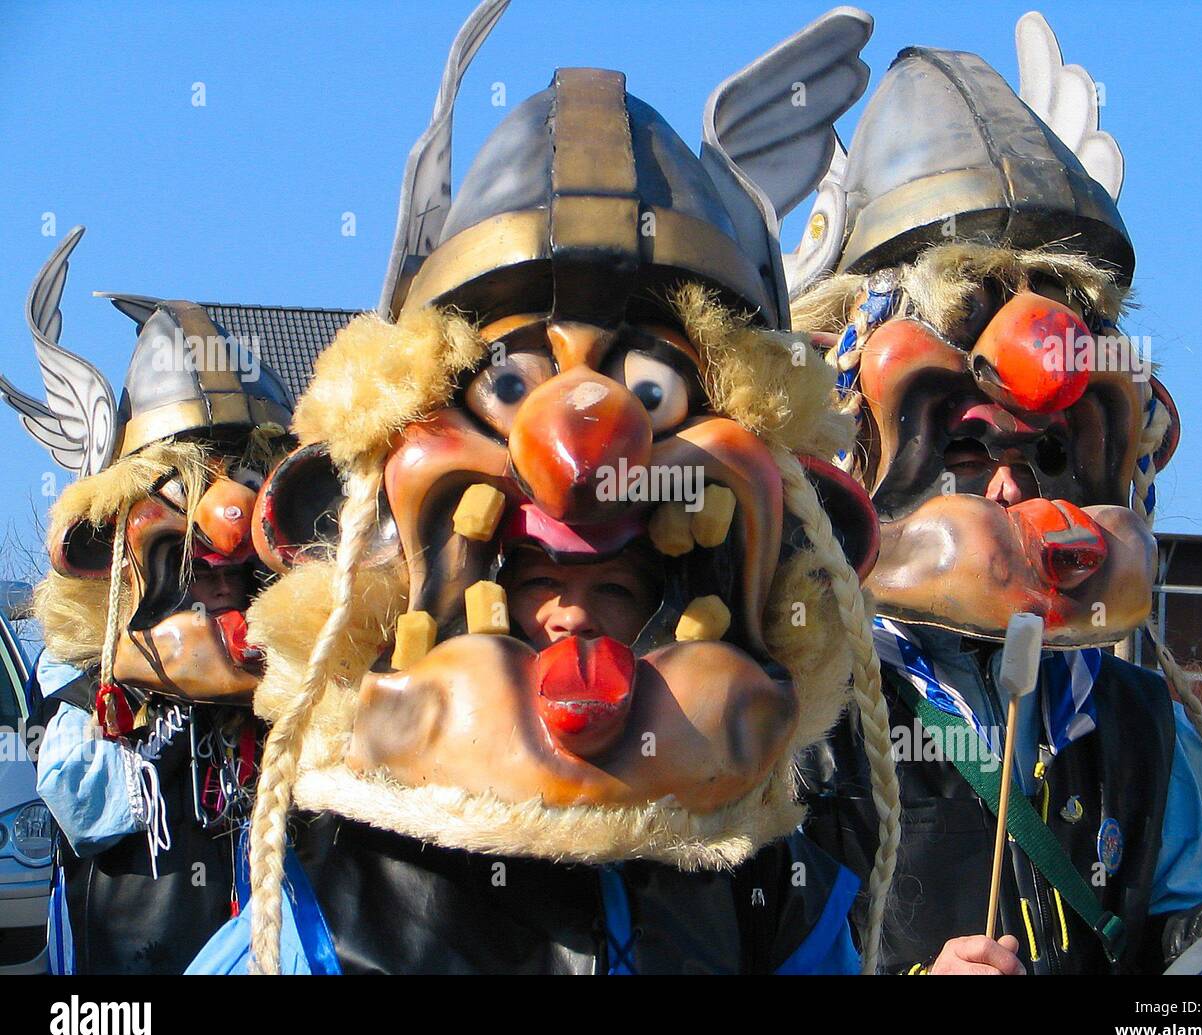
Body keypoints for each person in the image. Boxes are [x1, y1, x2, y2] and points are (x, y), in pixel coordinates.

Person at [188, 1, 892, 975]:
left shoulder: (772, 896)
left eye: (614, 592)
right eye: (508, 382)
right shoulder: (331, 904)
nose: (577, 448)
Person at [786, 12, 1202, 974]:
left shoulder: (1138, 722)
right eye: (973, 456)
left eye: (1049, 453)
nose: (1016, 487)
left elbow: (1180, 954)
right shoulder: (795, 715)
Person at [2, 228, 294, 973]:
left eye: (236, 569)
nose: (220, 579)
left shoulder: (297, 676)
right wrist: (164, 681)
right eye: (195, 566)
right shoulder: (84, 676)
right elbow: (85, 810)